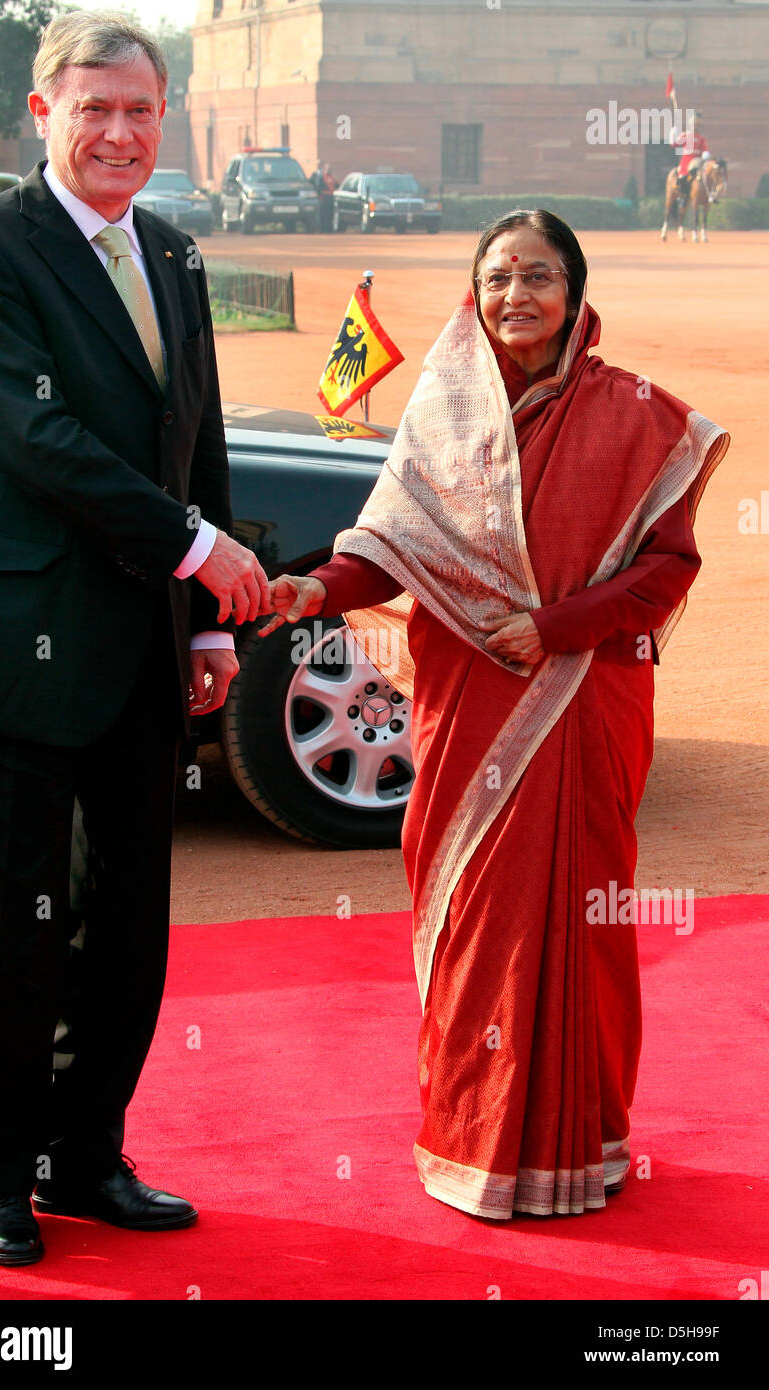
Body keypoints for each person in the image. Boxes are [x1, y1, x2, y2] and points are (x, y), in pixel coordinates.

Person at [262, 210, 729, 1218]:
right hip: (466, 702)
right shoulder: (441, 412)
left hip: (582, 698)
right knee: (478, 918)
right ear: (474, 292)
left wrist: (558, 624)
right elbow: (388, 547)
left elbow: (667, 567)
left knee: (578, 924)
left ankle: (577, 1143)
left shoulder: (638, 416)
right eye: (497, 276)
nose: (515, 295)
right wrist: (314, 589)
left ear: (575, 292)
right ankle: (476, 1143)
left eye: (538, 276)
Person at [0, 11, 269, 1265]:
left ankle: (86, 1155)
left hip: (141, 644)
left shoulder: (171, 254)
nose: (118, 132)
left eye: (139, 111)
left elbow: (198, 435)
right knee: (13, 927)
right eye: (93, 110)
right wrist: (193, 546)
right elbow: (35, 439)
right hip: (19, 645)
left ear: (163, 119)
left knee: (124, 922)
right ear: (40, 115)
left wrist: (213, 621)